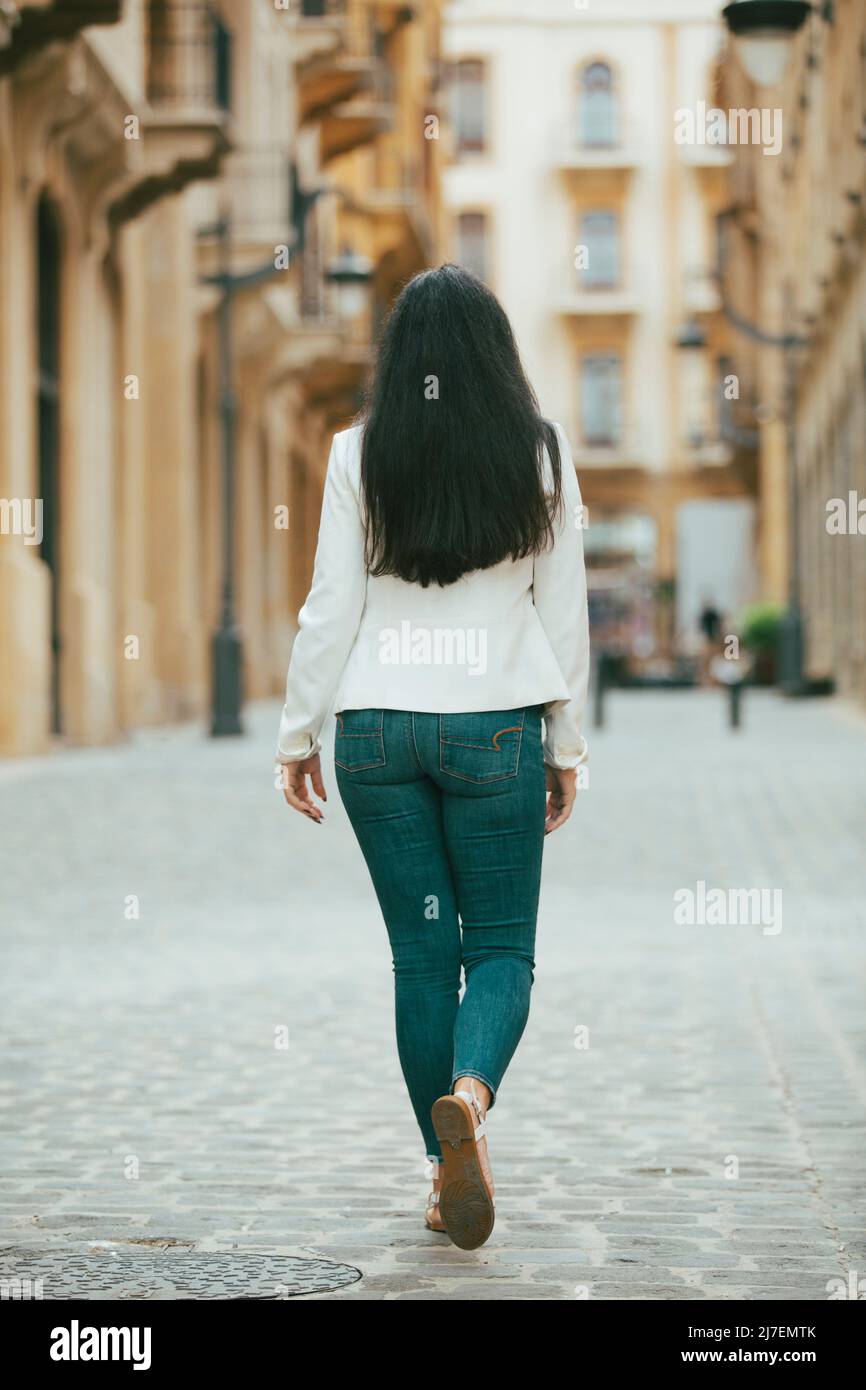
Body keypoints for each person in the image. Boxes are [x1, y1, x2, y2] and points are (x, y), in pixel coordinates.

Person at [276, 264, 590, 1250]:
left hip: (376, 730)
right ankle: (468, 1095)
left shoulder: (354, 452)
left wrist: (296, 731)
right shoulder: (538, 454)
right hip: (494, 722)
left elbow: (332, 604)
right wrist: (565, 744)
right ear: (496, 357)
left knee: (421, 954)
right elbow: (562, 609)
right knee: (498, 949)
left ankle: (439, 1165)